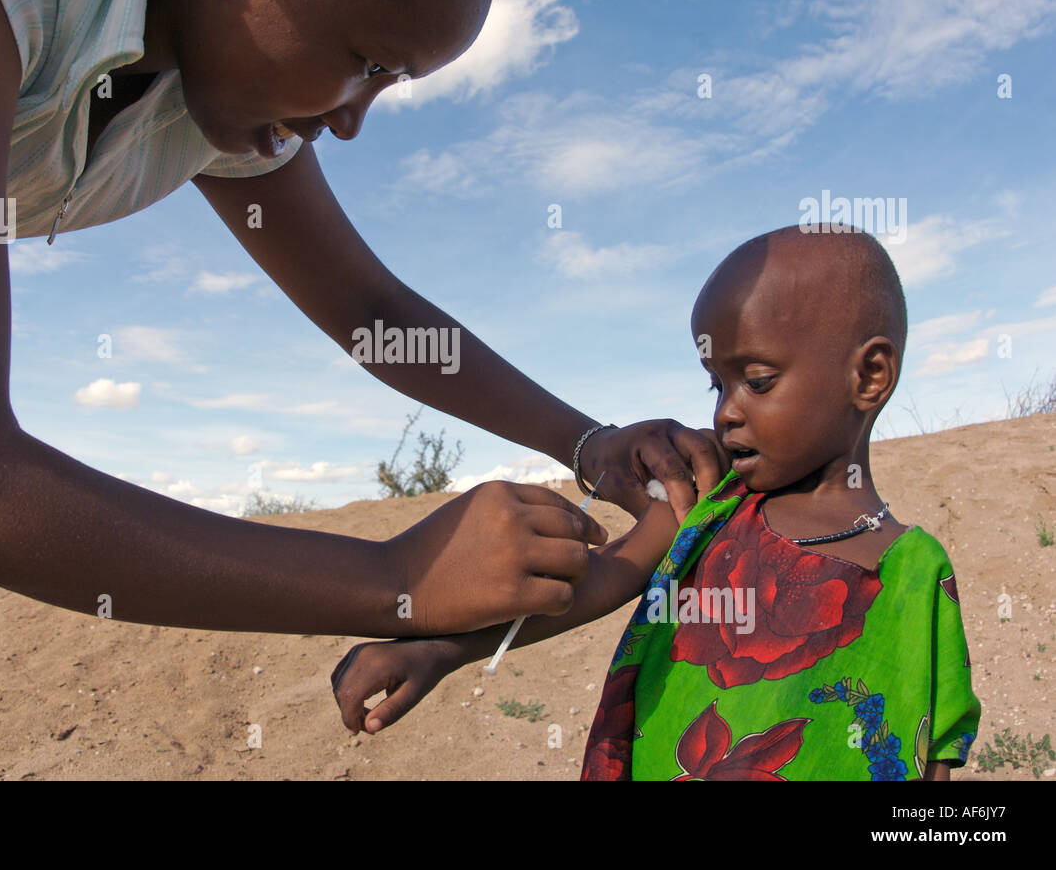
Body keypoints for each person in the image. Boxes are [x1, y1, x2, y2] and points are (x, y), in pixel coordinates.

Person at [0, 0, 725, 779]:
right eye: (364, 60)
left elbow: (366, 303)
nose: (352, 119)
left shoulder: (215, 90)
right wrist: (394, 582)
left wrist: (586, 441)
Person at [330, 225, 982, 781]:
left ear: (869, 376)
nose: (726, 411)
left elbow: (933, 749)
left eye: (757, 381)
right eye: (717, 383)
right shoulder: (708, 502)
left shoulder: (916, 574)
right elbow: (596, 579)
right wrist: (442, 650)